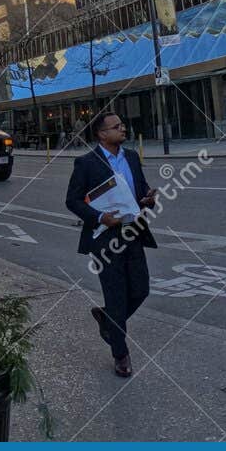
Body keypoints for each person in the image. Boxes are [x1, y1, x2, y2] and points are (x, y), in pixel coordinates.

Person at [65, 110, 158, 378]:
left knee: (141, 290)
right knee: (116, 297)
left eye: (123, 124)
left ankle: (108, 320)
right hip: (105, 238)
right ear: (102, 134)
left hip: (133, 231)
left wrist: (147, 199)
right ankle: (120, 354)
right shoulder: (86, 163)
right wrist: (99, 217)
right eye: (117, 126)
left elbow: (139, 190)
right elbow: (71, 201)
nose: (123, 129)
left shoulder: (131, 157)